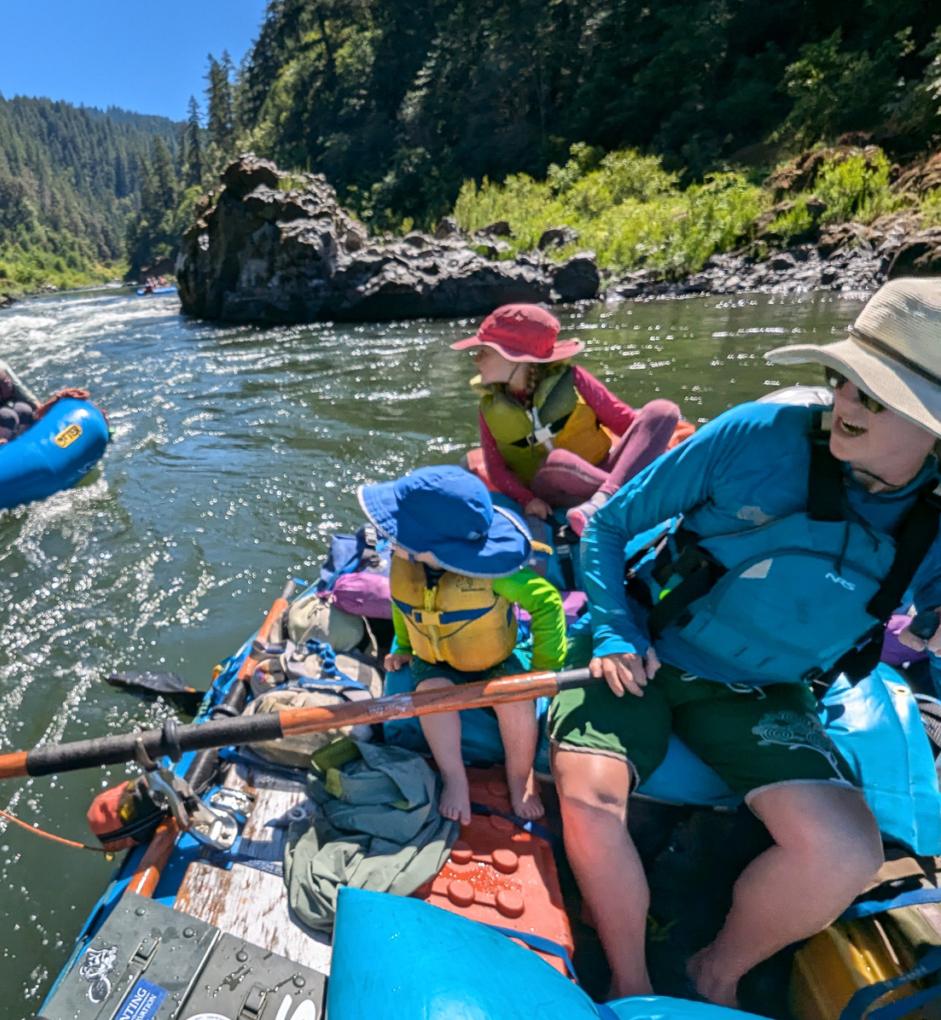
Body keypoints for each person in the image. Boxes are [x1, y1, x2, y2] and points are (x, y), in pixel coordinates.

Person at [547, 277, 941, 1006]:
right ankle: (632, 988)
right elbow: (606, 525)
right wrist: (611, 628)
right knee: (592, 802)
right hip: (648, 649)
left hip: (768, 688)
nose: (846, 404)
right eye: (844, 380)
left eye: (876, 397)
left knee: (845, 851)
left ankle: (715, 974)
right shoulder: (760, 433)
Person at [361, 465, 567, 823]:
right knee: (433, 698)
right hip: (433, 662)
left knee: (515, 699)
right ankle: (454, 777)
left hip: (496, 660)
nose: (389, 536)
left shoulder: (497, 575)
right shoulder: (405, 563)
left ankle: (520, 778)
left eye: (398, 530)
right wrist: (405, 648)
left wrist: (543, 669)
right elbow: (404, 606)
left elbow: (547, 603)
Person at [455, 304, 682, 535]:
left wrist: (655, 453)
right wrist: (527, 500)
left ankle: (605, 500)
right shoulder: (489, 408)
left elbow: (625, 423)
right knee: (557, 461)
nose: (476, 360)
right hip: (552, 488)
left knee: (663, 410)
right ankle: (641, 490)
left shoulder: (574, 380)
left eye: (484, 352)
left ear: (514, 359)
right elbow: (496, 468)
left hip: (602, 475)